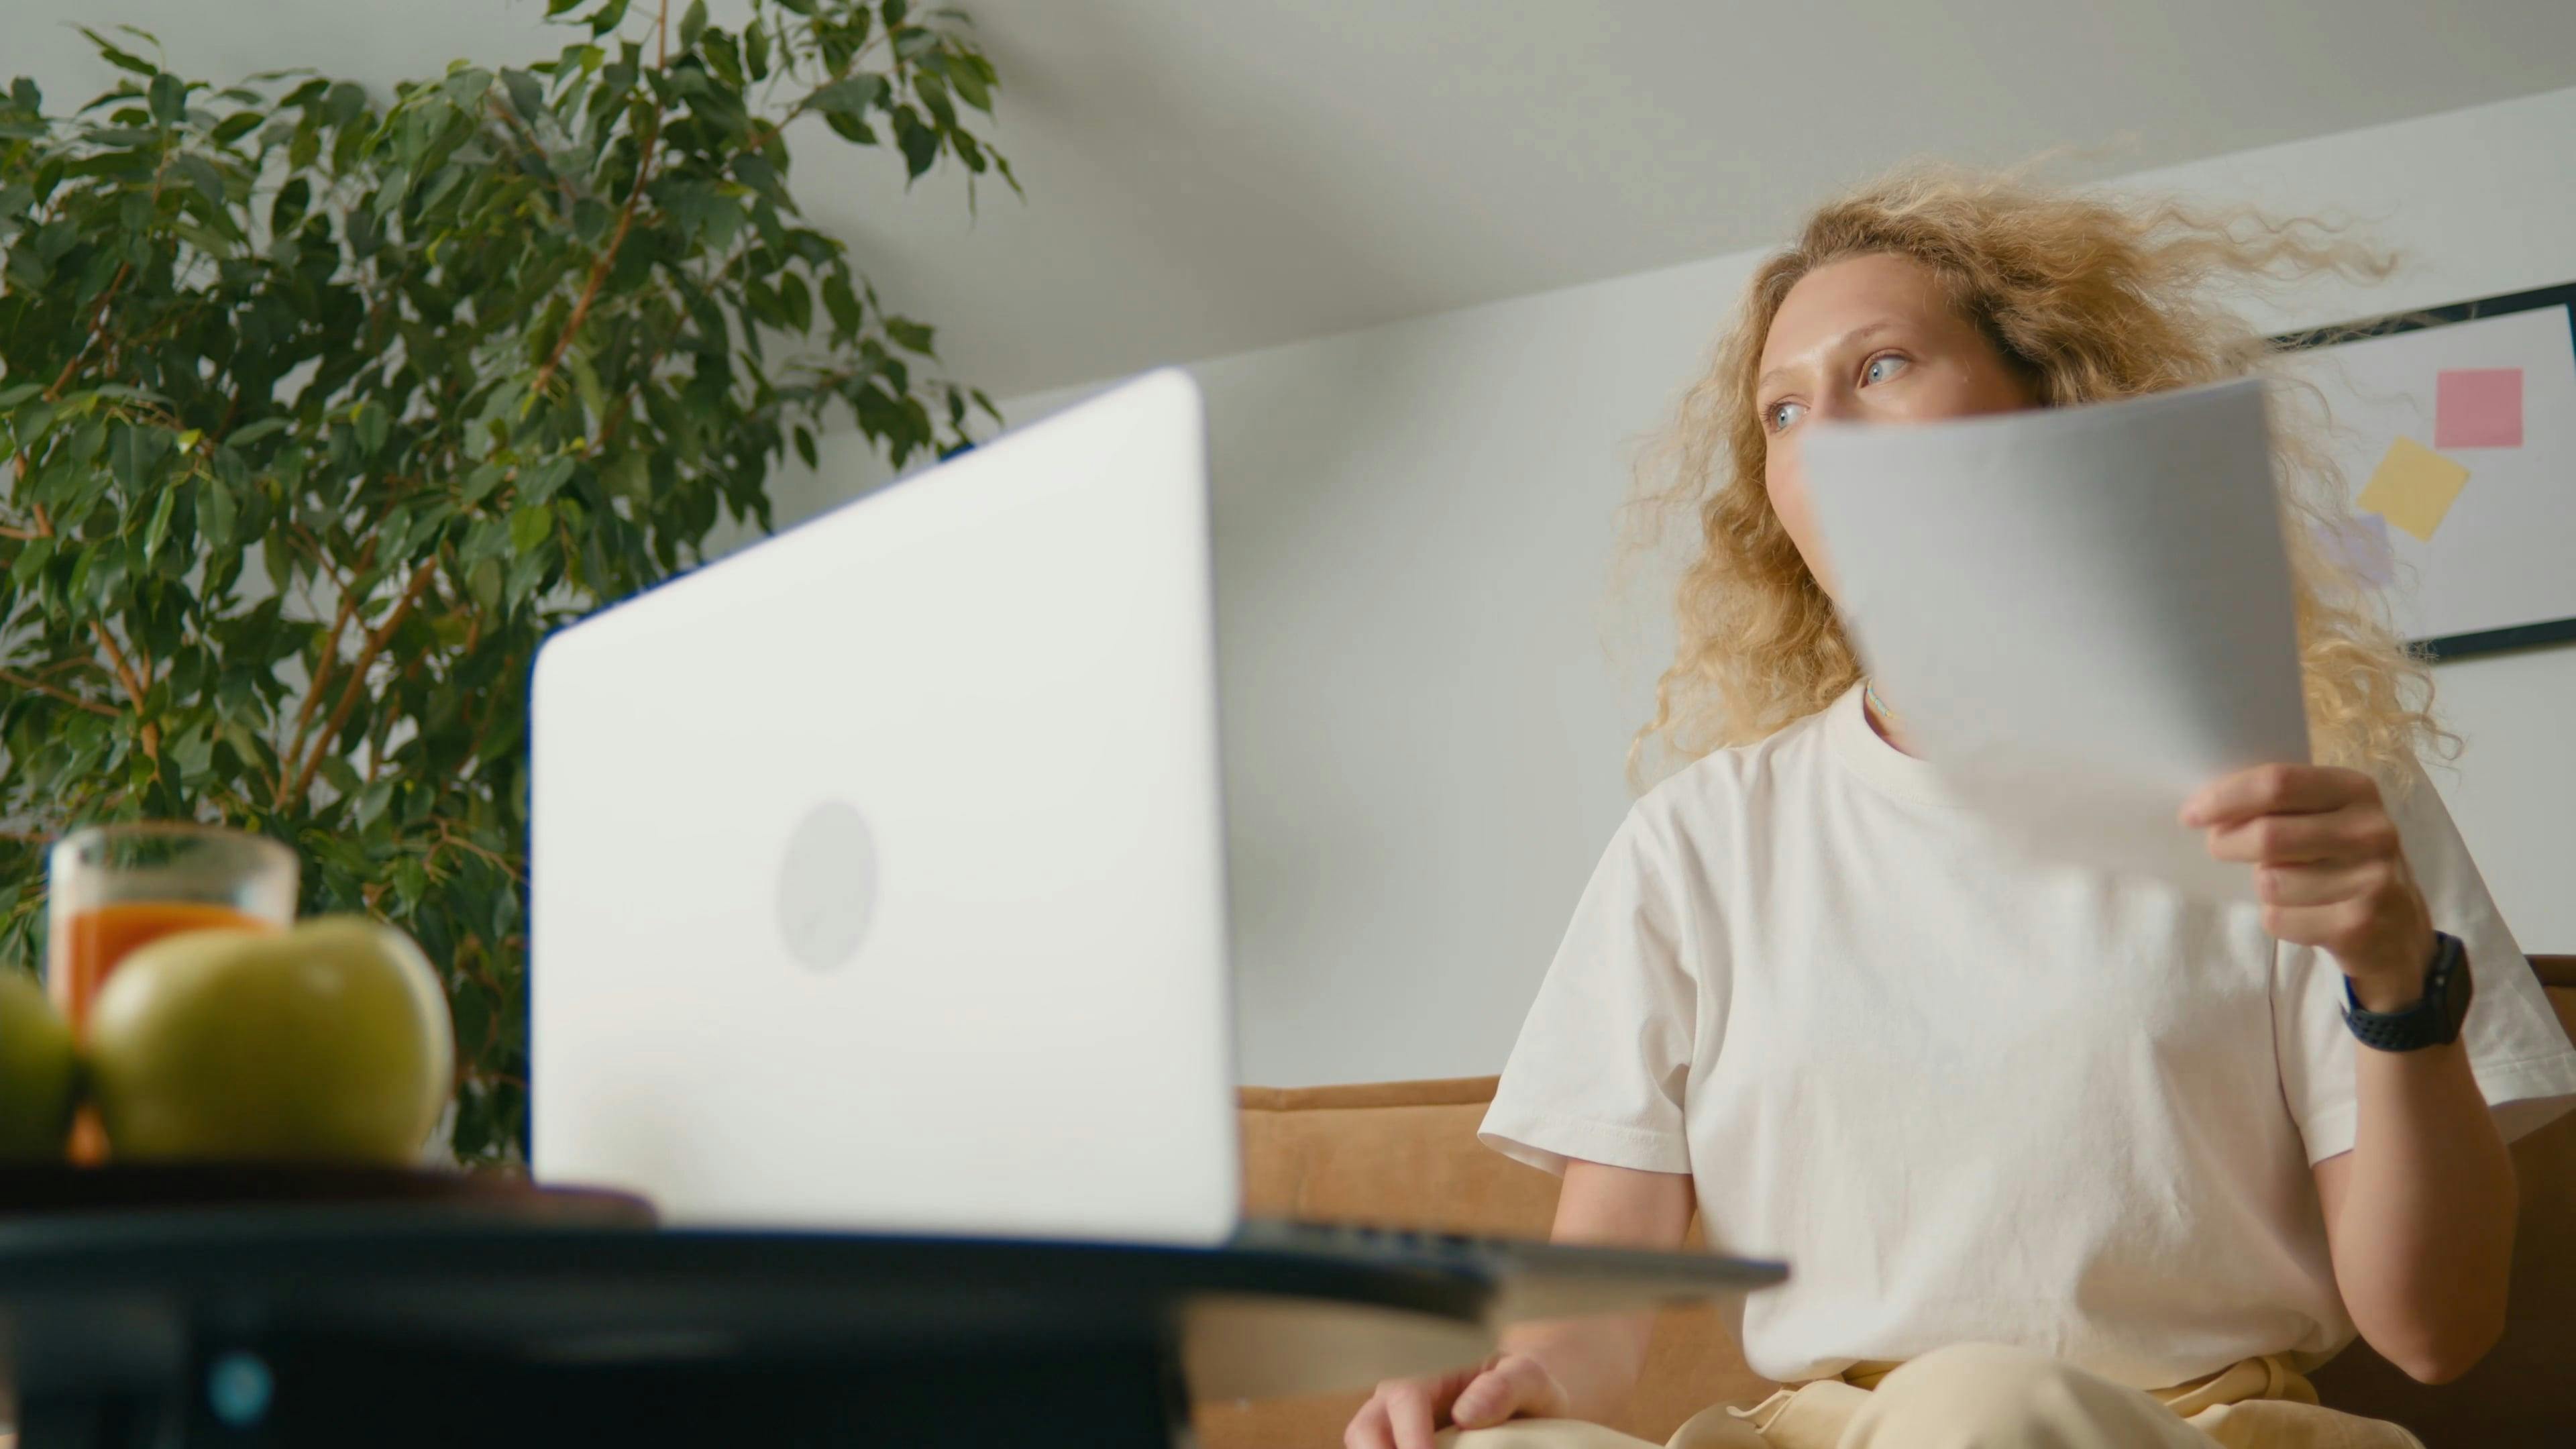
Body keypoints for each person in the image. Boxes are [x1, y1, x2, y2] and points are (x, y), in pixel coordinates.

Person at [1344, 168, 2576, 1449]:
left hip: (2174, 1431)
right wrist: (1505, 1395)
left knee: (1979, 1411)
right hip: (1811, 1437)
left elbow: (2437, 1331)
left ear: (2049, 406)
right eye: (1781, 410)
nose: (1822, 426)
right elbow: (1584, 1328)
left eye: (1879, 369)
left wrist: (2397, 988)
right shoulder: (1697, 840)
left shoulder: (2307, 791)